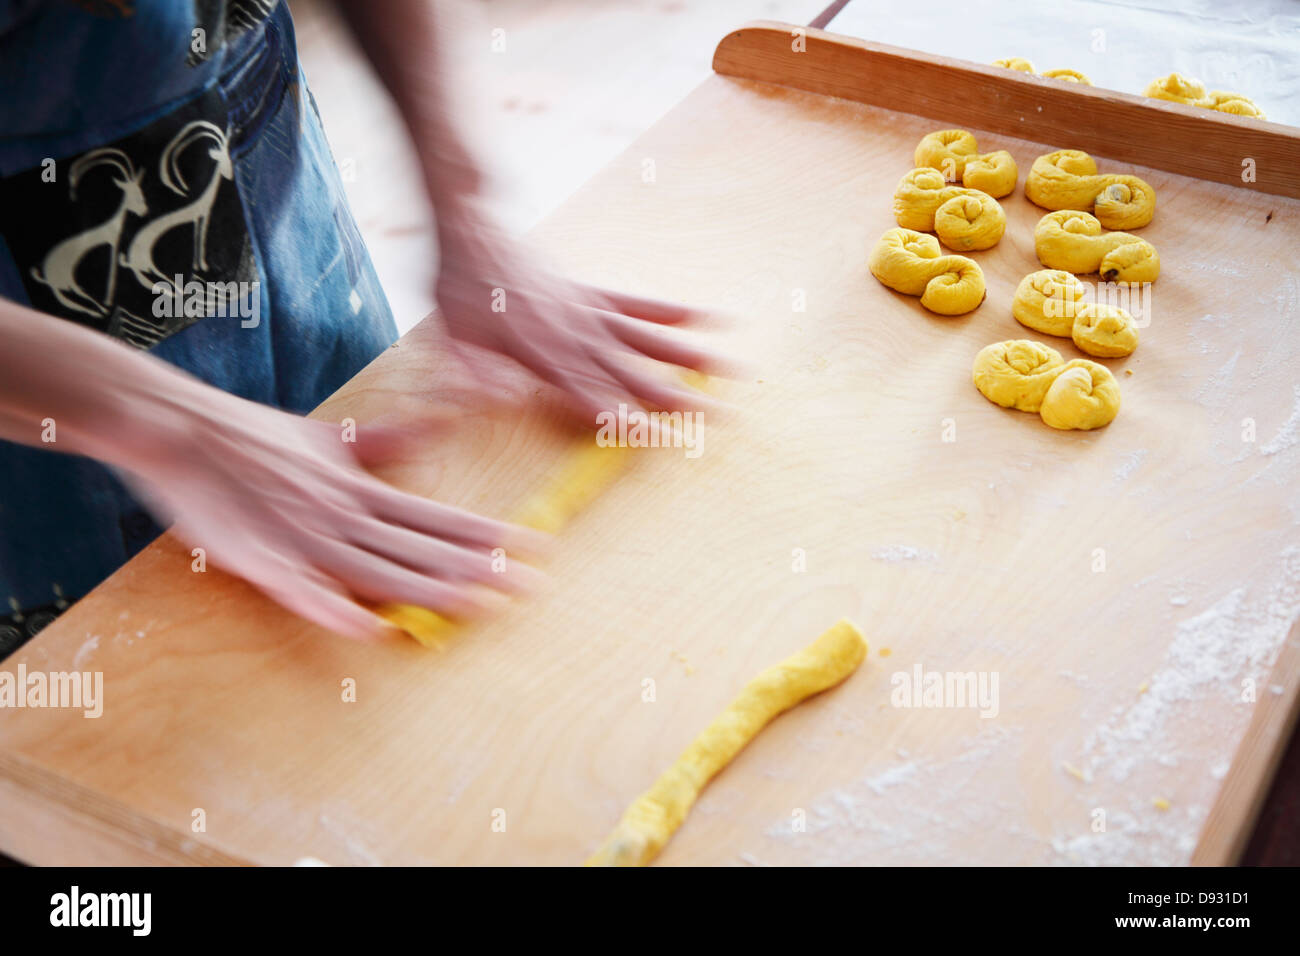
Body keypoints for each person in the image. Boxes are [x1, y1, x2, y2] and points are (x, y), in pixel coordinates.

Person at [0, 0, 720, 653]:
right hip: (43, 422)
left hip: (286, 228)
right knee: (120, 712)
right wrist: (165, 421)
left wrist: (461, 194)